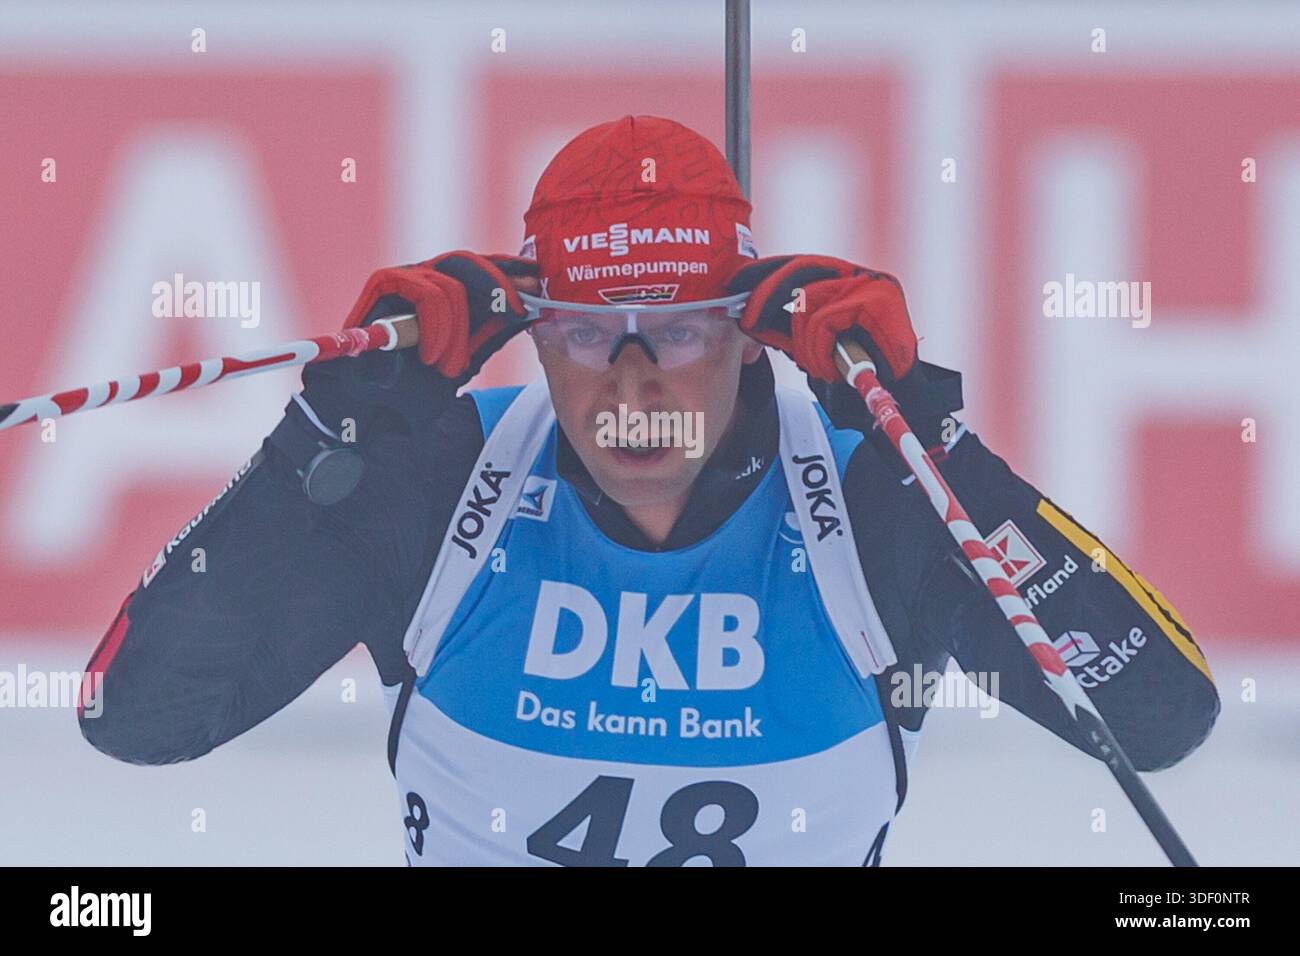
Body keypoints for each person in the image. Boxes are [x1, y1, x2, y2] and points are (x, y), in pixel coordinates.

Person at [79, 115, 1218, 866]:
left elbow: (1161, 714)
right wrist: (320, 443)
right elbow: (134, 719)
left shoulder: (870, 501)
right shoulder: (437, 481)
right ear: (533, 331)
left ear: (747, 331)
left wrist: (931, 439)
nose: (633, 380)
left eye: (676, 329)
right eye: (586, 333)